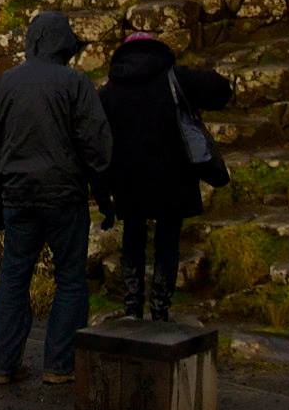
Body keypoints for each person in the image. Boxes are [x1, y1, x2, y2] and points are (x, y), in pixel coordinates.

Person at [0, 10, 113, 385]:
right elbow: (95, 144)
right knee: (69, 278)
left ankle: (2, 365)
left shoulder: (4, 84)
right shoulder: (75, 84)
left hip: (17, 196)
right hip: (65, 196)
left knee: (14, 276)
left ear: (32, 41)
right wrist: (103, 193)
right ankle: (59, 365)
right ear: (64, 43)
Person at [97, 32, 232, 322]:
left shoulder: (110, 90)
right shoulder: (175, 78)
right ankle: (160, 306)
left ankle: (133, 305)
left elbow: (96, 138)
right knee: (167, 239)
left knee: (132, 236)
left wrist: (102, 186)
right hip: (173, 177)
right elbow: (221, 89)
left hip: (128, 179)